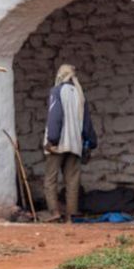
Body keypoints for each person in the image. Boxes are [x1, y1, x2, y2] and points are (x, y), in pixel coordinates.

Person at [42, 64, 98, 222]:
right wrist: (91, 142)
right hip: (75, 143)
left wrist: (51, 139)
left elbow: (55, 116)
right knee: (72, 180)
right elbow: (86, 123)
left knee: (50, 179)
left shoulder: (57, 91)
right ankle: (72, 213)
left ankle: (54, 212)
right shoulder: (79, 93)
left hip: (58, 144)